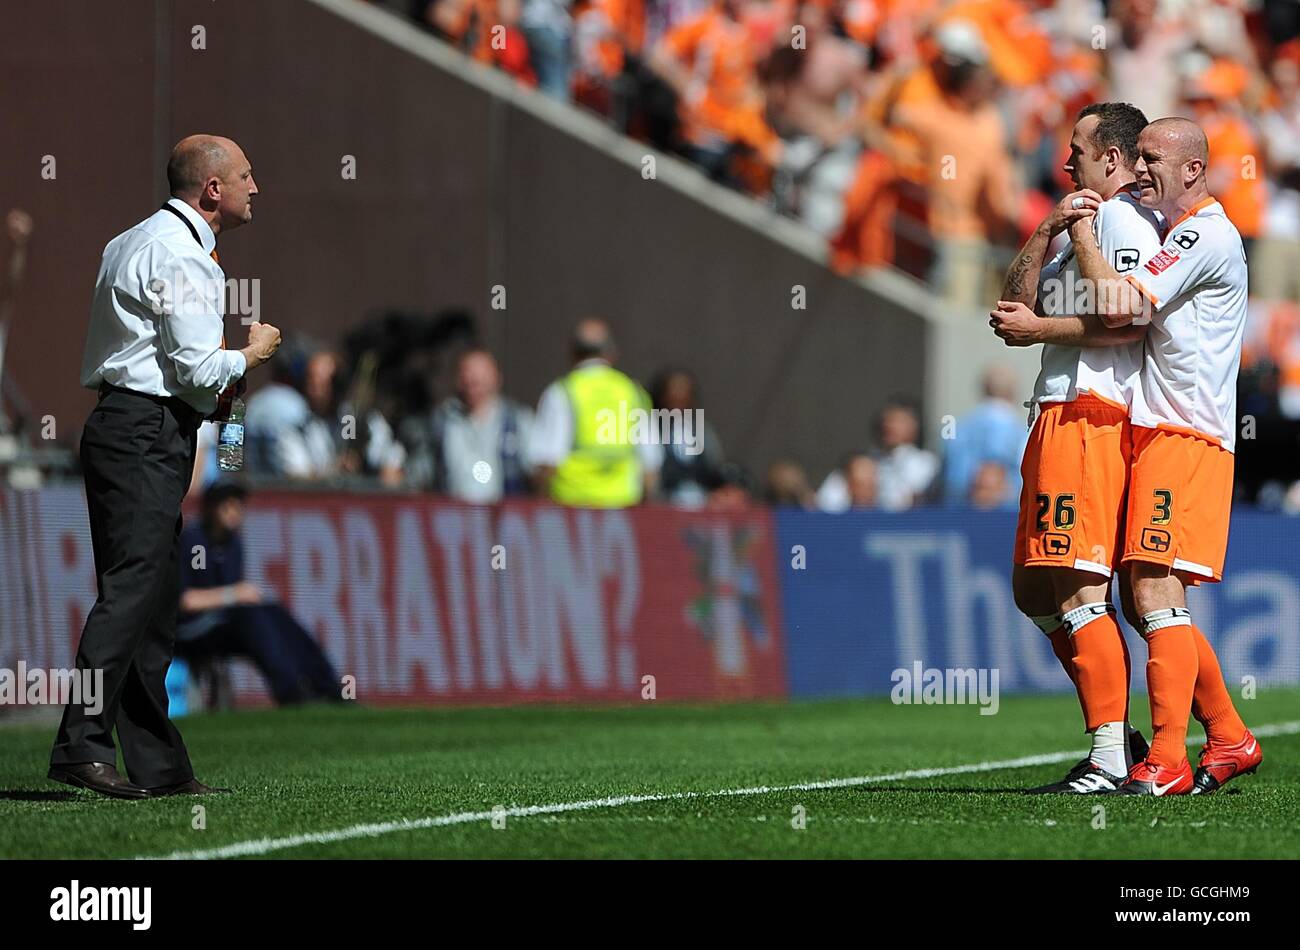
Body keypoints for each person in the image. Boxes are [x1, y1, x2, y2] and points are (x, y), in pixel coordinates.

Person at [49, 135, 281, 799]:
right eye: (245, 174)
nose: (254, 187)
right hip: (145, 432)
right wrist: (253, 352)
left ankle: (157, 763)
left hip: (131, 427)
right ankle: (81, 744)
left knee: (151, 601)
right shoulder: (183, 256)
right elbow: (196, 369)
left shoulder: (128, 241)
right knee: (134, 591)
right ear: (212, 190)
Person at [1065, 116, 1261, 795]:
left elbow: (1120, 307)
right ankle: (1230, 736)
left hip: (1187, 434)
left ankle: (1168, 760)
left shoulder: (1204, 233)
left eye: (1150, 159)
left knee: (1151, 589)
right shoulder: (1182, 232)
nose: (1138, 170)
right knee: (1139, 587)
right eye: (1136, 155)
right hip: (1162, 430)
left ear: (1191, 171)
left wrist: (1083, 231)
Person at [989, 102, 1162, 793]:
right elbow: (1009, 312)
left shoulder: (1123, 221)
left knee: (1078, 584)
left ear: (1112, 158)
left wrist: (1039, 332)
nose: (1066, 162)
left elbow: (1124, 321)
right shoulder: (1074, 225)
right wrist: (1044, 231)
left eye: (1079, 150)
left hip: (1090, 412)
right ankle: (1121, 736)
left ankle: (1109, 755)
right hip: (1051, 413)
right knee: (1032, 588)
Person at [176, 481, 342, 705]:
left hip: (220, 624)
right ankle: (290, 691)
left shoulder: (233, 543)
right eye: (227, 506)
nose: (234, 512)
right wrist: (233, 595)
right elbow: (185, 601)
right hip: (189, 630)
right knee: (250, 617)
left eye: (238, 506)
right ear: (211, 508)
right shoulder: (192, 540)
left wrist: (237, 598)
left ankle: (328, 686)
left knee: (273, 612)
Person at [529, 318, 661, 507]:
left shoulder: (562, 392)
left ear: (572, 354)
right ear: (611, 353)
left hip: (572, 509)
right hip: (623, 509)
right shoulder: (633, 392)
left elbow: (547, 461)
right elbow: (650, 466)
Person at [401, 346, 535, 502]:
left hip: (504, 520)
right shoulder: (441, 421)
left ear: (497, 379)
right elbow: (420, 473)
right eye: (467, 378)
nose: (472, 384)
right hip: (452, 519)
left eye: (480, 380)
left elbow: (538, 475)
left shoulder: (518, 421)